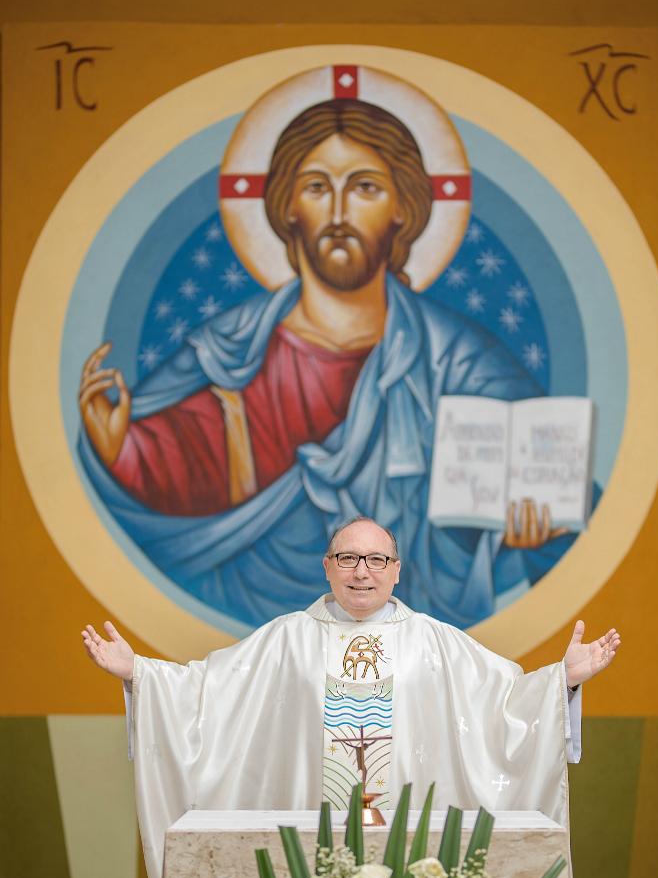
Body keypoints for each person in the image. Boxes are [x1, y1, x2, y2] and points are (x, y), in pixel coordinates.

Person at [78, 97, 577, 631]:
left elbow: (552, 477)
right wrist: (118, 449)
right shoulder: (231, 351)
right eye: (317, 187)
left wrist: (530, 528)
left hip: (411, 643)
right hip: (263, 629)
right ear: (289, 207)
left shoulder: (454, 356)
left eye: (364, 187)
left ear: (402, 207)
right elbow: (177, 463)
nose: (339, 212)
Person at [82, 516, 620, 878]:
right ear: (327, 566)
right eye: (348, 558)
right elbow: (206, 696)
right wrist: (141, 674)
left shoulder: (436, 642)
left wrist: (560, 682)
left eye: (376, 559)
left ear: (396, 570)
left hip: (411, 857)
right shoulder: (286, 639)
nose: (362, 571)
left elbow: (506, 706)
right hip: (307, 854)